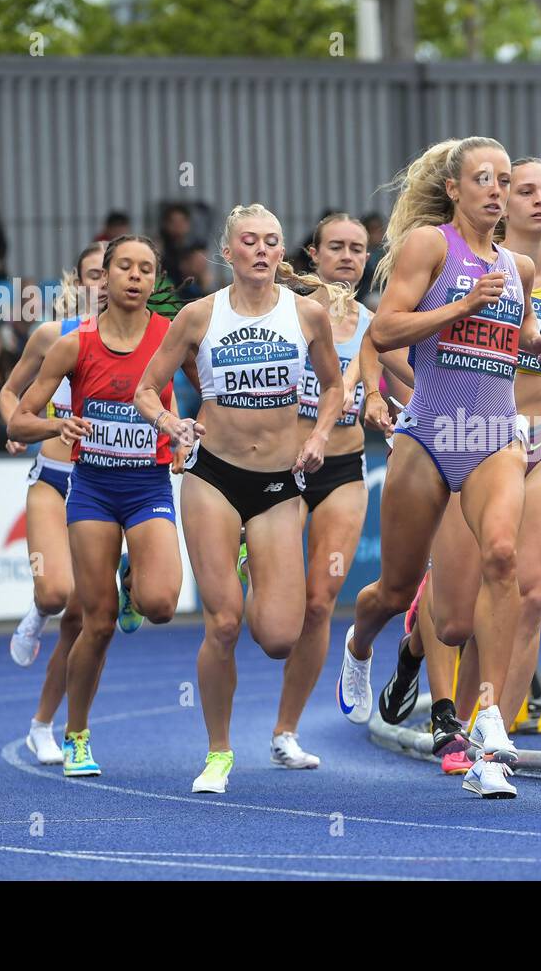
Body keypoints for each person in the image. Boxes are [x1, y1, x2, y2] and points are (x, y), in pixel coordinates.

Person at [371, 159, 541, 789]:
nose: (535, 200)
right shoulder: (462, 259)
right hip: (461, 431)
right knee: (455, 616)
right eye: (523, 188)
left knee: (526, 587)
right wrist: (426, 392)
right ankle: (414, 648)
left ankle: (491, 738)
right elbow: (394, 342)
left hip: (533, 441)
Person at [335, 136, 541, 800]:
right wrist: (461, 306)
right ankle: (359, 641)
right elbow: (385, 331)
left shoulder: (517, 268)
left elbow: (510, 335)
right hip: (431, 432)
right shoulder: (429, 247)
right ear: (457, 190)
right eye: (484, 181)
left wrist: (537, 340)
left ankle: (487, 717)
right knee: (397, 585)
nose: (497, 191)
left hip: (495, 434)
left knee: (502, 559)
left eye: (504, 180)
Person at [133, 204, 346, 795]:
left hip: (280, 484)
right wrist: (171, 426)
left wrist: (321, 435)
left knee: (278, 637)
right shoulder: (200, 315)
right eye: (248, 241)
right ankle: (219, 752)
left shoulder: (308, 315)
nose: (260, 249)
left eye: (271, 241)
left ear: (282, 254)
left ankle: (252, 557)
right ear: (228, 252)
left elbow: (334, 386)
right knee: (223, 622)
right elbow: (146, 388)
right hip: (213, 476)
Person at [9, 235, 185, 778]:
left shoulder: (173, 336)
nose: (135, 277)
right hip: (92, 490)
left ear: (155, 281)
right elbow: (16, 419)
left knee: (160, 604)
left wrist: (181, 435)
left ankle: (134, 580)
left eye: (146, 269)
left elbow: (195, 398)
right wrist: (54, 425)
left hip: (149, 487)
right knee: (97, 621)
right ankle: (77, 734)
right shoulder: (72, 343)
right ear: (103, 278)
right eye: (125, 267)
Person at [265, 213, 376, 770]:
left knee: (319, 601)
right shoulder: (282, 313)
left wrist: (388, 405)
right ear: (313, 254)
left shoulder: (375, 324)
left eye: (358, 249)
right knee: (275, 620)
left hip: (341, 471)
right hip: (281, 470)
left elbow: (394, 384)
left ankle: (286, 731)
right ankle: (247, 551)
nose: (349, 257)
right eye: (337, 247)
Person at [0, 243, 106, 763]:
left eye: (117, 272)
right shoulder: (53, 336)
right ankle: (36, 611)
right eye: (95, 275)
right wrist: (21, 428)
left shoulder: (147, 341)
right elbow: (9, 394)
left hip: (103, 486)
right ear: (79, 283)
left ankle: (44, 724)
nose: (107, 283)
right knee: (56, 592)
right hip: (53, 479)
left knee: (81, 620)